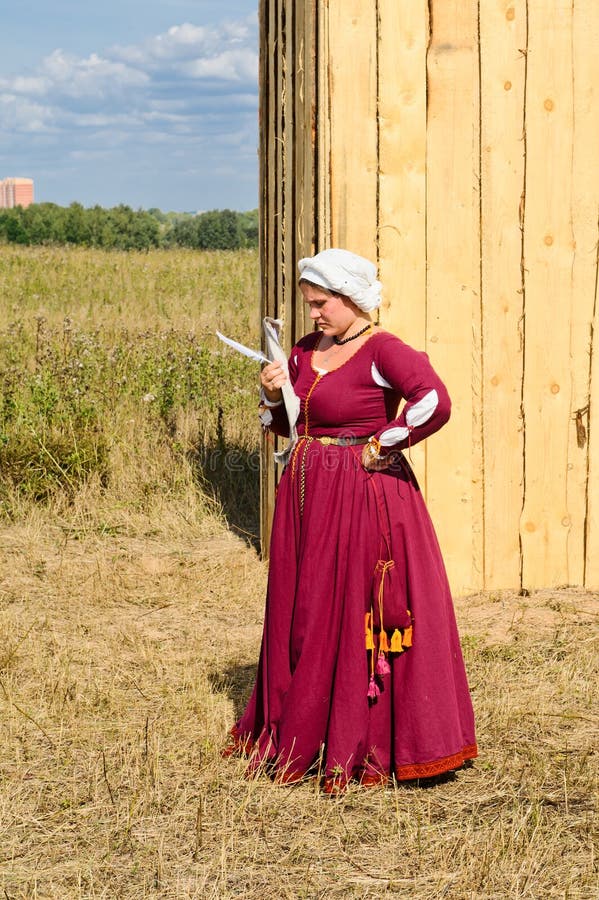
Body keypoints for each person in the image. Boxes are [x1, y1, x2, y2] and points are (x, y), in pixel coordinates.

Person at [224, 248, 477, 791]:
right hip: (307, 494)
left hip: (364, 496)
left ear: (351, 298)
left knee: (352, 609)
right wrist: (271, 394)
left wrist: (381, 443)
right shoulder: (304, 350)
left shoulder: (384, 349)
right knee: (307, 606)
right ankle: (303, 723)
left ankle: (359, 735)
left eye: (321, 304)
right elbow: (289, 424)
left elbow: (434, 401)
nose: (313, 313)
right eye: (310, 304)